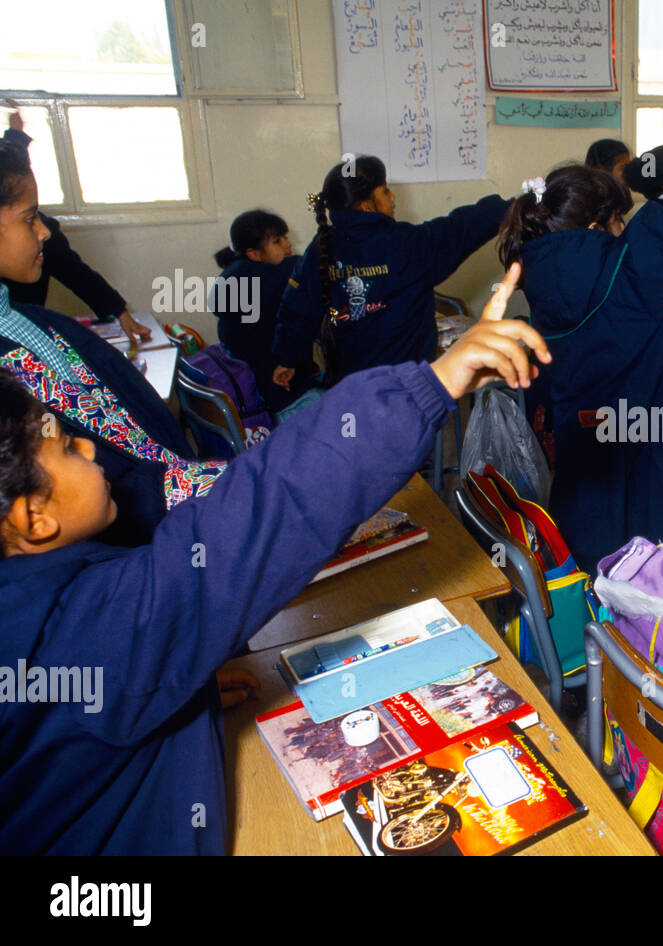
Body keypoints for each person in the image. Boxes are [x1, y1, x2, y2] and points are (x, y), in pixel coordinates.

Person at [0, 264, 549, 854]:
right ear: (33, 519)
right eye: (65, 447)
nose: (89, 445)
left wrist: (181, 694)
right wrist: (432, 385)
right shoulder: (90, 631)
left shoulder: (44, 616)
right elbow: (263, 512)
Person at [499, 103, 663, 570]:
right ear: (593, 227)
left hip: (585, 443)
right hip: (643, 441)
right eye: (617, 222)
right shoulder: (624, 274)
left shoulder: (544, 270)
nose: (624, 230)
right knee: (643, 564)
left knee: (594, 546)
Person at [0, 138, 224, 546]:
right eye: (30, 218)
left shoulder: (30, 321)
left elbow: (128, 423)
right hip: (140, 533)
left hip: (168, 501)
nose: (45, 232)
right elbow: (86, 476)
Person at [272, 154, 510, 387]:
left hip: (348, 387)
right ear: (366, 205)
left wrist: (287, 359)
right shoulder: (406, 244)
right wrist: (513, 206)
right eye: (385, 191)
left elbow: (296, 310)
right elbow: (462, 227)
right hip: (406, 387)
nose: (393, 197)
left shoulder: (320, 248)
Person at [2, 110, 152, 346]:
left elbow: (79, 275)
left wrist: (118, 311)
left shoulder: (43, 240)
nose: (44, 232)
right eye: (29, 219)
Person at [210, 209, 321, 420]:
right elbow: (303, 266)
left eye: (286, 238)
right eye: (278, 241)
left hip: (262, 390)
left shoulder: (234, 274)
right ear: (253, 253)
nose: (288, 245)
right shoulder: (261, 277)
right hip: (281, 398)